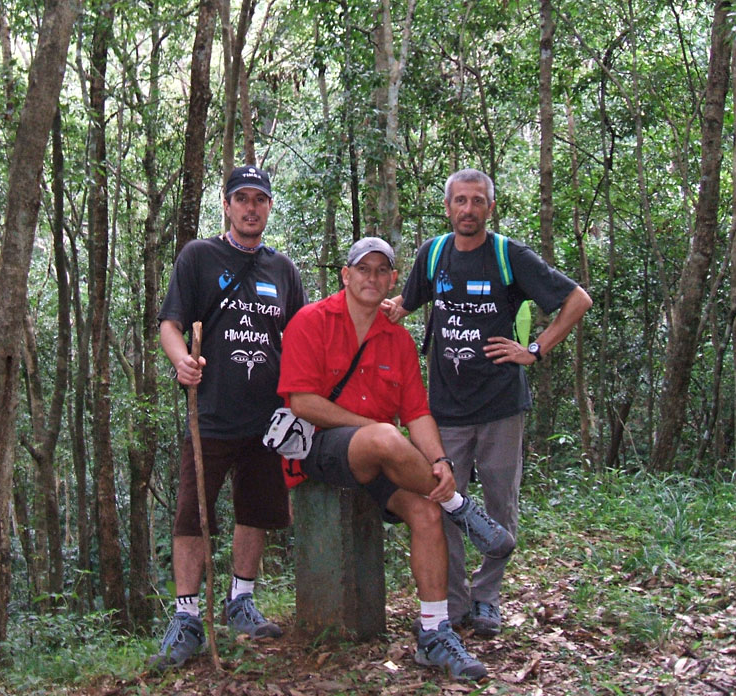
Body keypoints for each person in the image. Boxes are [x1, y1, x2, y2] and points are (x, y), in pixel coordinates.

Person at [278, 237, 514, 683]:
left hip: (379, 457)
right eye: (361, 269)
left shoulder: (398, 340)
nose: (370, 277)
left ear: (391, 281)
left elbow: (418, 412)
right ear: (345, 276)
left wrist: (440, 460)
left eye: (380, 270)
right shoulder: (312, 321)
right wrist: (368, 427)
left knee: (425, 511)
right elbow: (303, 401)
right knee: (385, 436)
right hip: (320, 450)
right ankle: (460, 508)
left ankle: (433, 631)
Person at [384, 168, 592, 638]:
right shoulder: (433, 254)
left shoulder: (507, 255)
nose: (468, 209)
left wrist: (535, 349)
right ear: (448, 207)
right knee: (444, 504)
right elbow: (407, 303)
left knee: (500, 506)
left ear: (490, 208)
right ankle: (453, 602)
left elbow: (577, 299)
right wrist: (381, 305)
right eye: (460, 201)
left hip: (500, 405)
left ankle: (487, 599)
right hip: (446, 410)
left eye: (478, 201)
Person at [151, 165, 307, 670]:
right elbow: (170, 324)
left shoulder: (283, 270)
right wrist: (181, 361)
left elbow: (301, 339)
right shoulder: (199, 256)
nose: (251, 208)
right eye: (242, 198)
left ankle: (241, 600)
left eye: (259, 199)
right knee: (192, 513)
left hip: (267, 418)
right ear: (226, 204)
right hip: (210, 415)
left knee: (256, 511)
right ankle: (187, 616)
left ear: (268, 207)